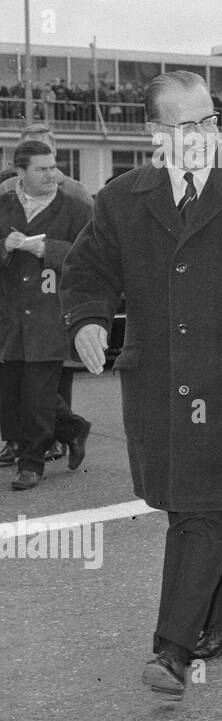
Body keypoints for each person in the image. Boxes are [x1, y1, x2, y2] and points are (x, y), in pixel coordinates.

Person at [61, 71, 222, 699]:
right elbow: (88, 268)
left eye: (208, 121)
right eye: (183, 126)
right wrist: (88, 320)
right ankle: (221, 623)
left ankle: (171, 649)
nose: (201, 136)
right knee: (185, 501)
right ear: (154, 133)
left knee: (199, 508)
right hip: (158, 383)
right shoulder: (123, 196)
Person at [0, 141, 93, 491]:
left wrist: (47, 249)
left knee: (37, 397)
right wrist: (5, 247)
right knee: (12, 394)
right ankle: (72, 428)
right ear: (19, 172)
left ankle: (32, 462)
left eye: (53, 167)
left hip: (49, 316)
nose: (52, 174)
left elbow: (90, 256)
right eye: (42, 169)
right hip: (8, 318)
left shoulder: (76, 209)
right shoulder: (2, 206)